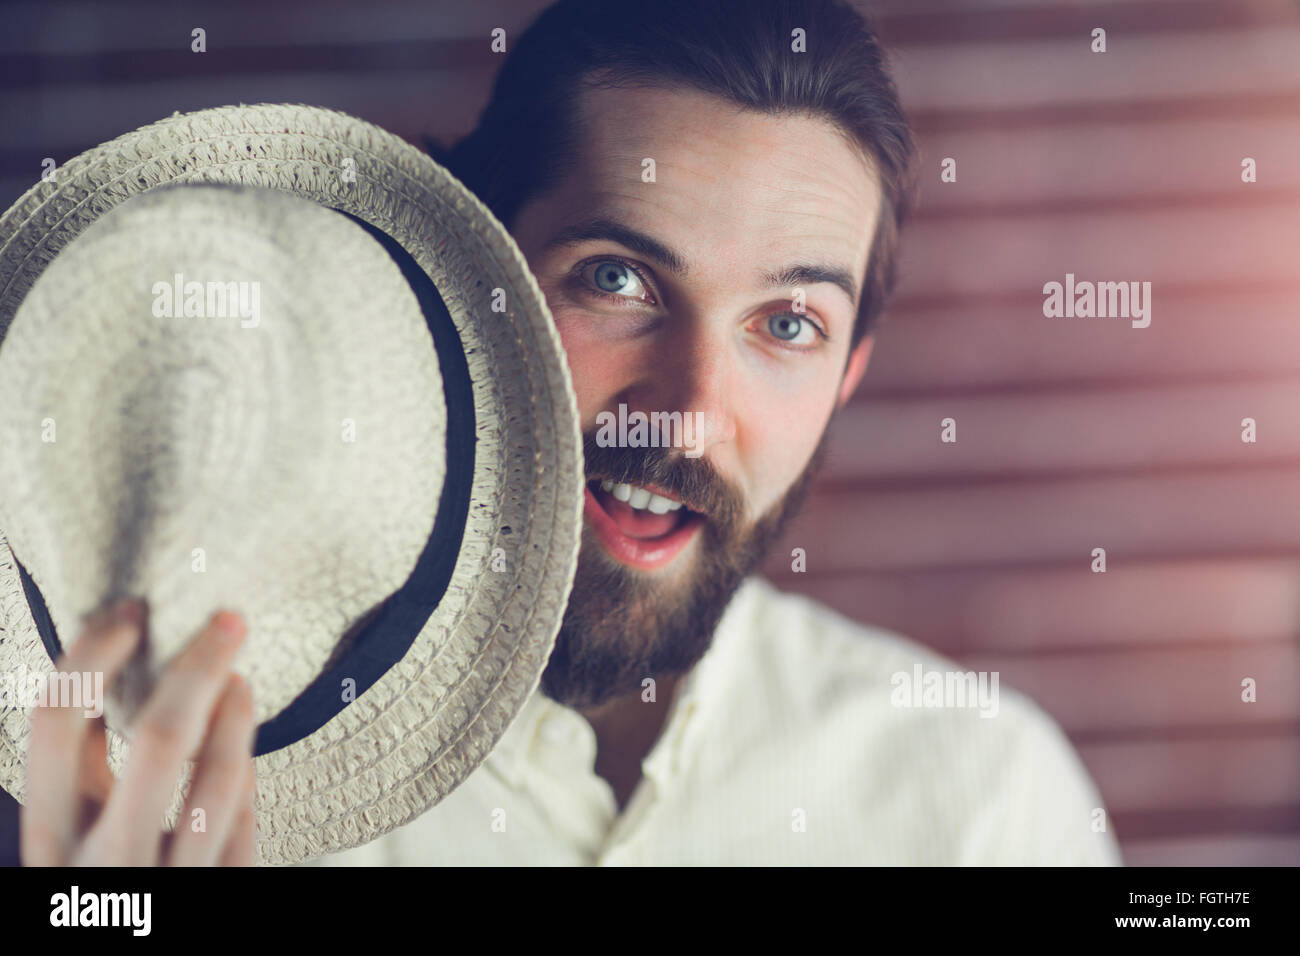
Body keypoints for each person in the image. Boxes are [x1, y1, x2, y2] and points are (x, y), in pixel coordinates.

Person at [22, 0, 1122, 865]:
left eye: (786, 323)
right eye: (617, 279)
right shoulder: (160, 784)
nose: (689, 404)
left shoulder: (986, 798)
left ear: (845, 379)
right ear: (476, 277)